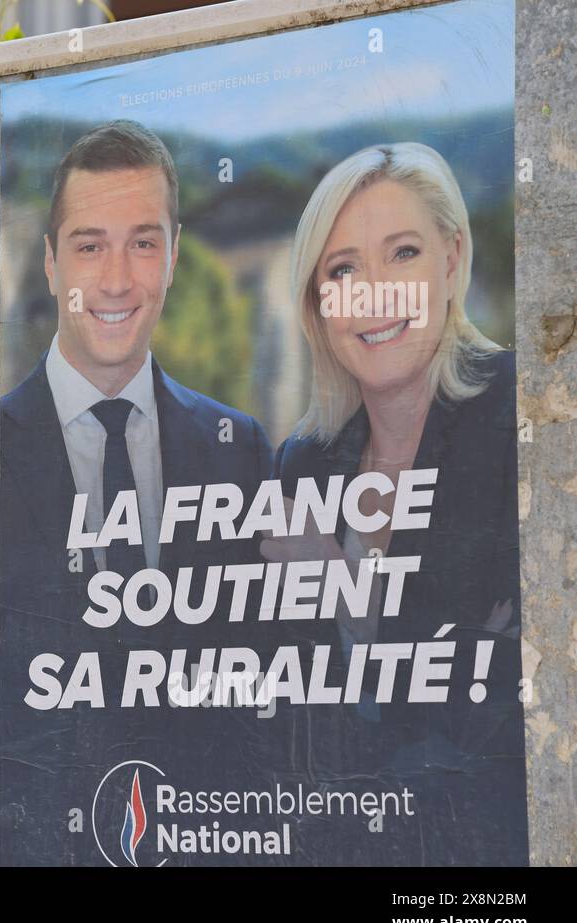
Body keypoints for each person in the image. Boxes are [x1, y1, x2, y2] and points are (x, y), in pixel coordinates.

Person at [0, 120, 273, 865]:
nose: (117, 279)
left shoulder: (239, 449)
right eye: (89, 246)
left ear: (175, 256)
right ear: (50, 264)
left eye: (143, 242)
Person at [263, 143, 525, 864]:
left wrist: (345, 600)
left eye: (401, 253)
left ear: (452, 258)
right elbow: (294, 722)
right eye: (343, 269)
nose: (373, 292)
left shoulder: (528, 419)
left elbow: (514, 705)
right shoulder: (303, 463)